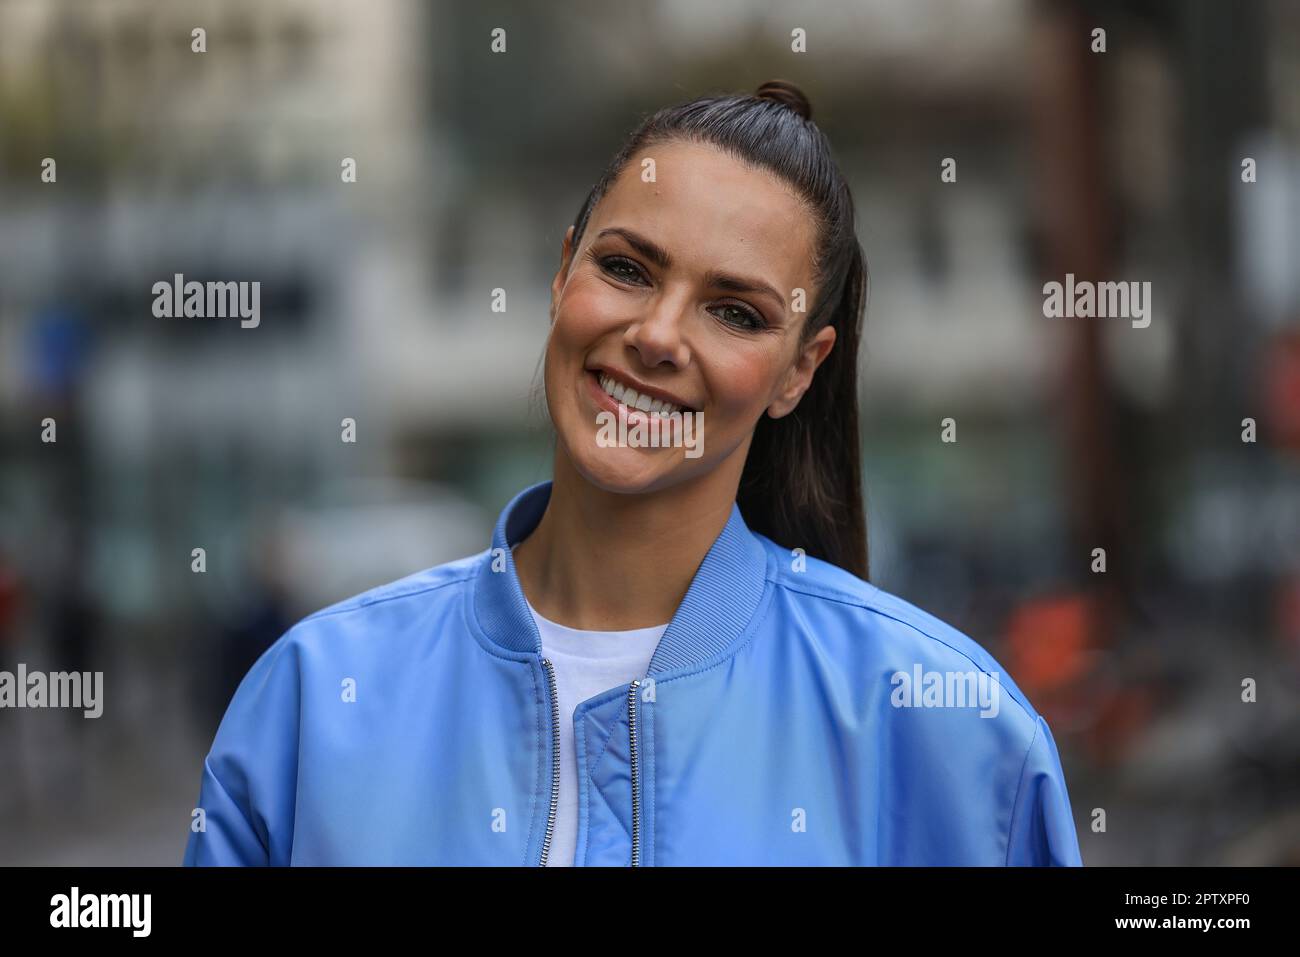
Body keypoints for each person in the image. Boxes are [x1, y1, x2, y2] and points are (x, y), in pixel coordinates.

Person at [183, 80, 1083, 866]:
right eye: (625, 268)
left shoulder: (952, 734)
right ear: (561, 270)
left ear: (799, 371)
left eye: (734, 311)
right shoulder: (315, 698)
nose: (658, 335)